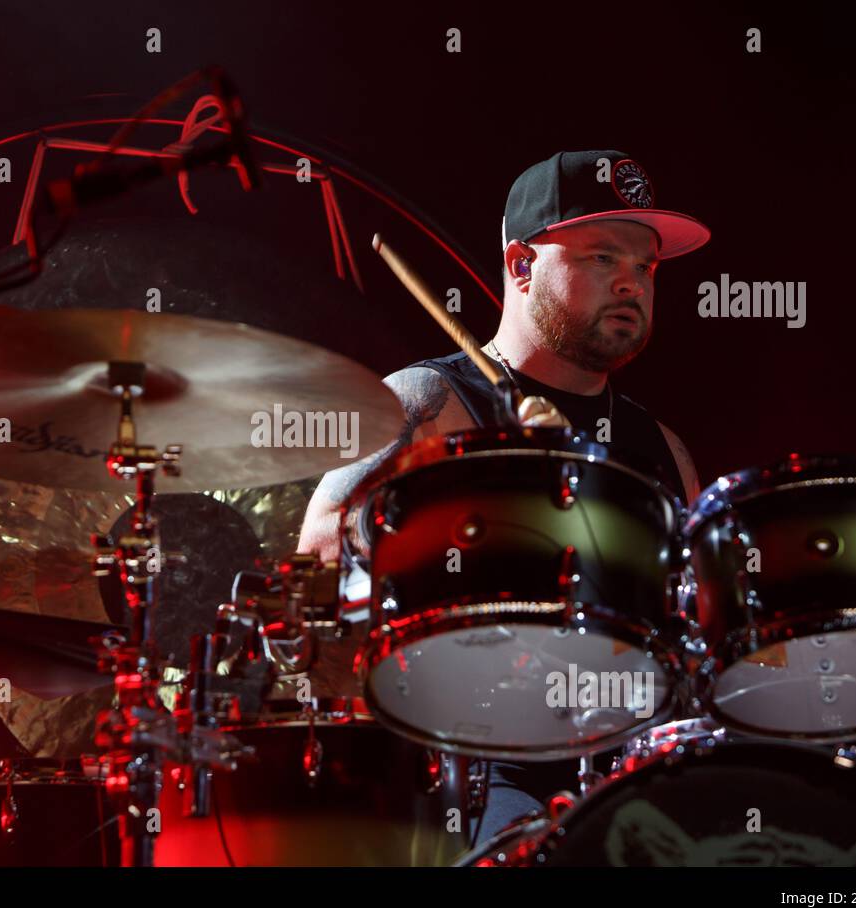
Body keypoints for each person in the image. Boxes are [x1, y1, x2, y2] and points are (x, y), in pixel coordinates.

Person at [296, 149, 710, 844]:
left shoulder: (662, 450)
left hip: (633, 772)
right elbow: (316, 565)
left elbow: (695, 629)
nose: (632, 284)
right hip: (471, 774)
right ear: (521, 265)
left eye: (644, 267)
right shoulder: (427, 403)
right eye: (603, 257)